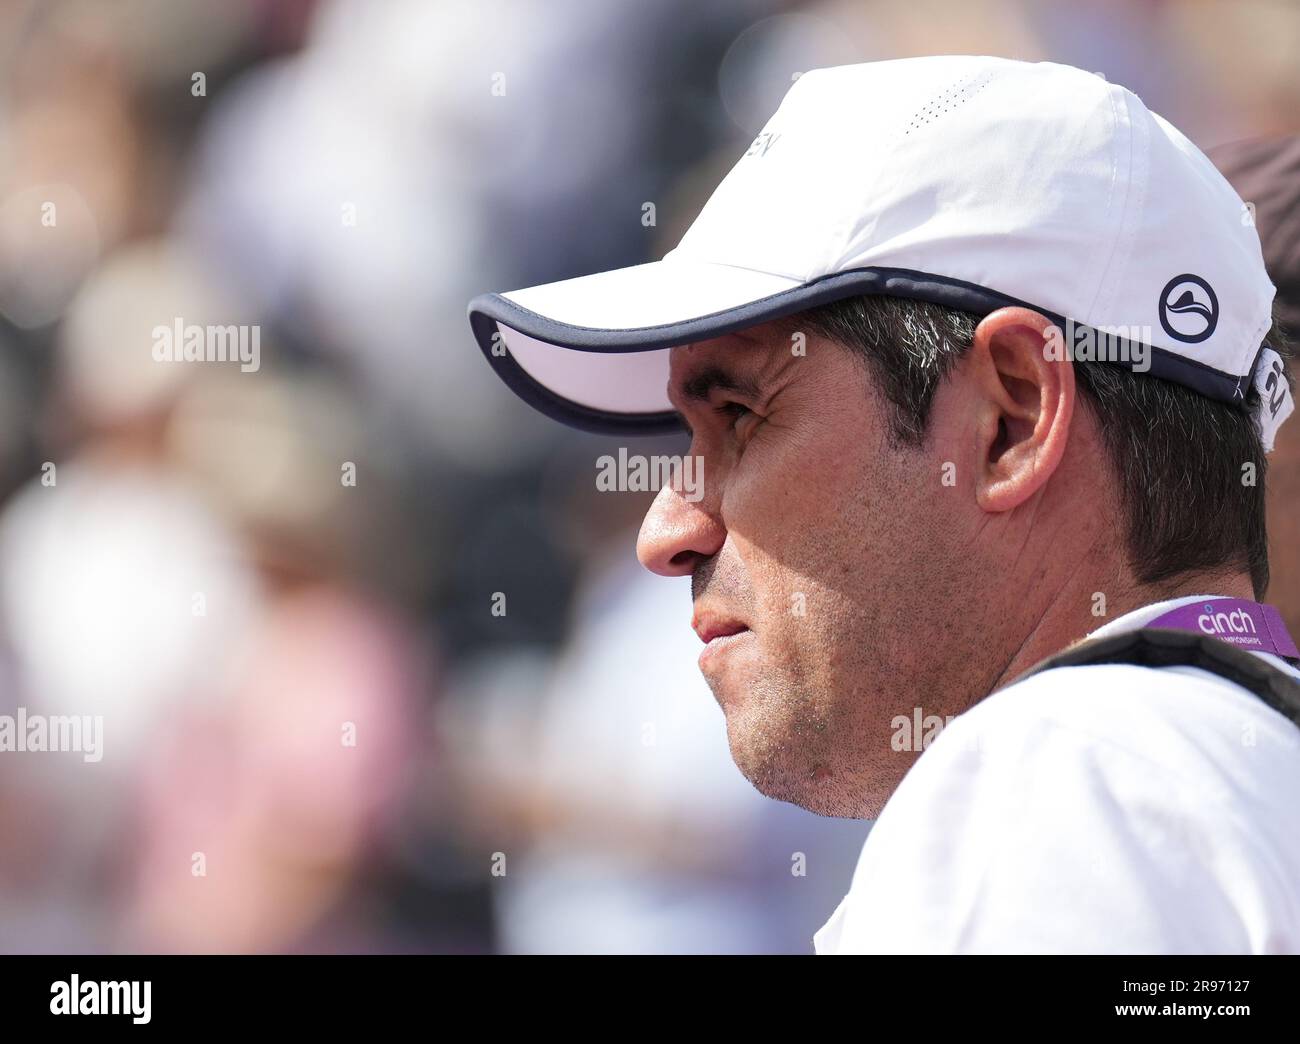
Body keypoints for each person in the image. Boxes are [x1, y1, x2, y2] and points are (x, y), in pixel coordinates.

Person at [466, 56, 1300, 953]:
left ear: (1009, 419)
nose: (666, 531)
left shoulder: (1056, 778)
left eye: (741, 415)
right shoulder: (1218, 768)